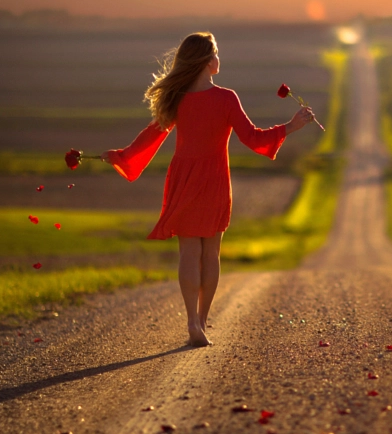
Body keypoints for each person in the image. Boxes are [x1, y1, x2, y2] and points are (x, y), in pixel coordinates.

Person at [101, 32, 315, 347]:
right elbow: (254, 138)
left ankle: (191, 321)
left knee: (189, 252)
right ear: (208, 61)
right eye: (216, 54)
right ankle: (201, 321)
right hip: (215, 179)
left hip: (183, 178)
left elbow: (151, 134)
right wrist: (291, 126)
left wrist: (122, 156)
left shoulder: (177, 97)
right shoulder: (227, 98)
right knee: (210, 254)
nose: (219, 59)